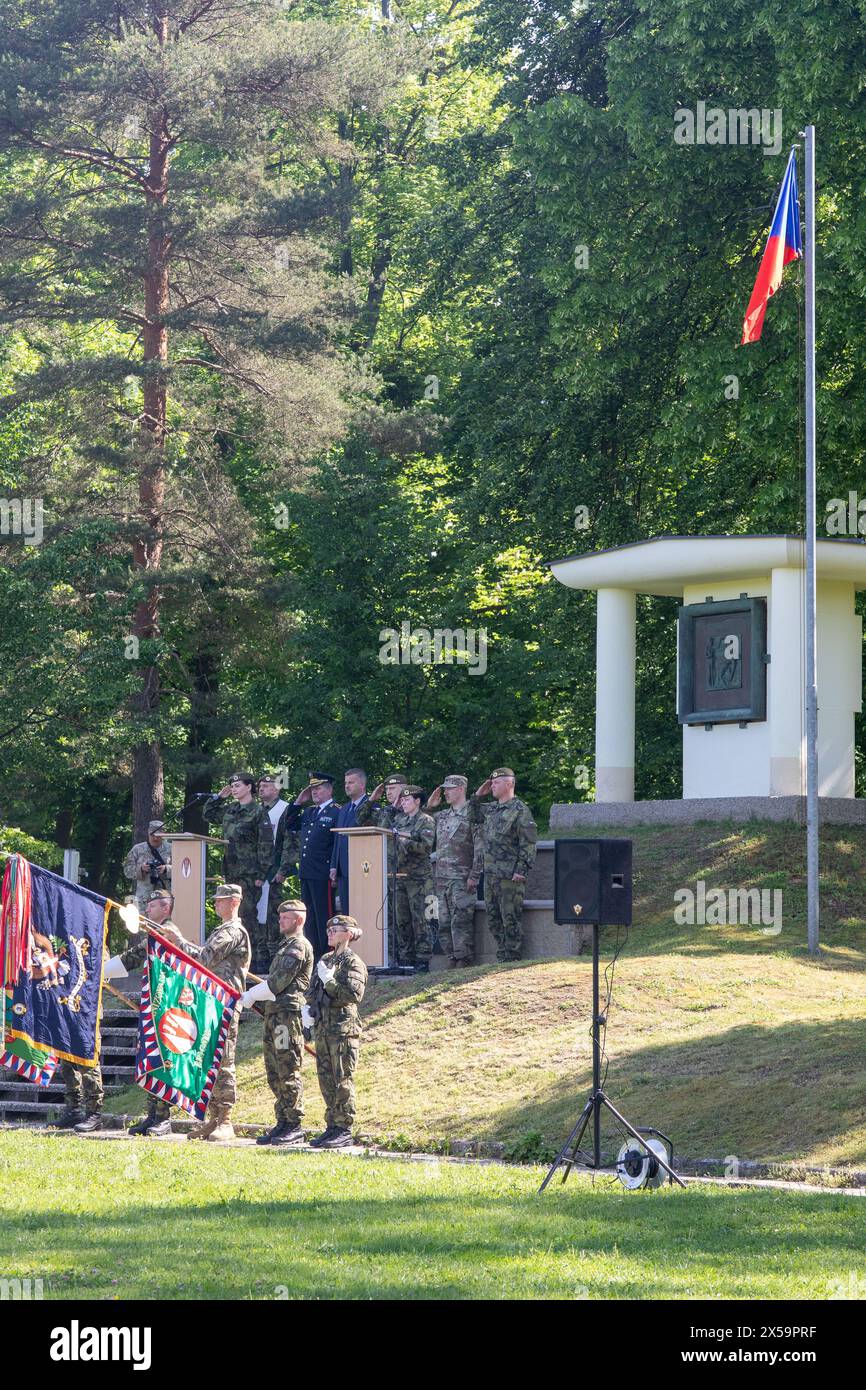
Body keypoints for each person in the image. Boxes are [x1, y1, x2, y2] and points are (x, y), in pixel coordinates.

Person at [106, 888, 190, 1138]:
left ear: (166, 908)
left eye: (152, 906)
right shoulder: (156, 933)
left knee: (163, 1059)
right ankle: (153, 1114)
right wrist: (104, 970)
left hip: (166, 1006)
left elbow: (136, 955)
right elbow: (135, 956)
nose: (147, 911)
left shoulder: (168, 933)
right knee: (151, 1058)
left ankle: (163, 1118)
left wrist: (105, 969)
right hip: (153, 1004)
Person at [242, 898, 313, 1148]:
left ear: (299, 920)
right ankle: (282, 1120)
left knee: (287, 1067)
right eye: (280, 916)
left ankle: (294, 1124)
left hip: (286, 1017)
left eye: (286, 917)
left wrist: (252, 995)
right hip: (274, 1014)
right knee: (274, 1070)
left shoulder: (298, 947)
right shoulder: (286, 946)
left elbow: (278, 983)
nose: (280, 920)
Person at [184, 883, 252, 1141]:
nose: (216, 904)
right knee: (208, 1058)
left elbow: (205, 958)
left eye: (221, 900)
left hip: (225, 1003)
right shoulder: (221, 930)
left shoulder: (233, 931)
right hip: (210, 1001)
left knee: (224, 1061)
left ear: (234, 902)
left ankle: (226, 1120)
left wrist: (177, 940)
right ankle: (213, 1118)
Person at [303, 915, 367, 1149]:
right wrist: (307, 1011)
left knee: (342, 1079)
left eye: (336, 929)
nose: (330, 933)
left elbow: (353, 995)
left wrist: (330, 982)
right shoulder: (327, 959)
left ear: (348, 934)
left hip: (342, 1030)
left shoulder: (353, 962)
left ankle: (343, 1127)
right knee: (326, 1079)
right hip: (323, 1027)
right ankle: (332, 1125)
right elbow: (312, 990)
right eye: (328, 929)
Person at [202, 774, 273, 971]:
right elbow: (208, 815)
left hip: (250, 873)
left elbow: (266, 844)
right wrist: (218, 798)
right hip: (231, 871)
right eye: (232, 786)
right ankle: (232, 955)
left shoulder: (258, 812)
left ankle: (256, 959)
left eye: (238, 785)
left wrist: (261, 874)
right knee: (231, 914)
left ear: (249, 787)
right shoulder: (230, 809)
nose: (233, 789)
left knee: (248, 914)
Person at [469, 768, 538, 962]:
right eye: (491, 782)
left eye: (496, 782)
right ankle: (502, 955)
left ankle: (512, 957)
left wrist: (521, 870)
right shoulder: (491, 808)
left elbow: (528, 842)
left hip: (509, 876)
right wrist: (477, 795)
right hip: (490, 874)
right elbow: (473, 815)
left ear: (509, 784)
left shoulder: (520, 810)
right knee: (493, 919)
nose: (492, 785)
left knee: (510, 918)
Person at [426, 774, 483, 967]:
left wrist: (474, 875)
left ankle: (463, 959)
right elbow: (420, 825)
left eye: (449, 788)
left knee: (461, 921)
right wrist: (429, 807)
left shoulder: (472, 814)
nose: (445, 792)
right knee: (443, 921)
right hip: (441, 878)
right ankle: (452, 957)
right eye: (445, 788)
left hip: (461, 877)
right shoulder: (442, 816)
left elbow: (480, 847)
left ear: (460, 789)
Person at [283, 773, 340, 960]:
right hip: (307, 872)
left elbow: (337, 843)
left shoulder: (336, 811)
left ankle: (327, 954)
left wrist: (334, 868)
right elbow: (289, 824)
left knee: (325, 915)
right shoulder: (309, 812)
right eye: (312, 789)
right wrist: (298, 802)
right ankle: (314, 955)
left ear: (330, 789)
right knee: (310, 917)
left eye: (319, 788)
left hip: (323, 872)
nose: (314, 792)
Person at [357, 773, 407, 960]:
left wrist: (395, 807)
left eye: (392, 789)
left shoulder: (411, 811)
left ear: (404, 789)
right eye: (386, 789)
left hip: (403, 871)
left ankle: (405, 957)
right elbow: (360, 819)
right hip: (381, 870)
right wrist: (372, 799)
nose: (388, 792)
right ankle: (390, 958)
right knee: (387, 918)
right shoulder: (383, 810)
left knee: (402, 917)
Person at [257, 772, 299, 972]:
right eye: (260, 786)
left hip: (274, 872)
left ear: (276, 788)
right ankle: (259, 957)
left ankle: (275, 959)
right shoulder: (256, 810)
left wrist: (284, 870)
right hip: (255, 872)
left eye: (266, 785)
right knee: (256, 915)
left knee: (274, 917)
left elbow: (290, 842)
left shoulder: (285, 809)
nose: (261, 789)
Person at [393, 785, 436, 971]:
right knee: (402, 918)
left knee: (421, 919)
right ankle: (406, 958)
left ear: (417, 801)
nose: (403, 803)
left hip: (419, 879)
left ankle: (422, 959)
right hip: (400, 876)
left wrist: (405, 842)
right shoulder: (399, 820)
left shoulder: (426, 820)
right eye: (401, 800)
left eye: (407, 800)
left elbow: (426, 847)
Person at [329, 768, 369, 914]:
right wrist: (334, 865)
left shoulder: (371, 807)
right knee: (346, 912)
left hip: (361, 868)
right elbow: (338, 838)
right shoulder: (344, 809)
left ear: (362, 785)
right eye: (346, 783)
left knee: (361, 911)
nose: (347, 786)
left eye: (351, 782)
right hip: (342, 869)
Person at [122, 819, 172, 912]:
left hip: (166, 899)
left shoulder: (173, 849)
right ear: (148, 834)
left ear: (163, 835)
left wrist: (166, 869)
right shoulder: (137, 849)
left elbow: (183, 872)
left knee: (165, 925)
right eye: (152, 835)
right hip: (144, 900)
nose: (155, 838)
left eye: (158, 836)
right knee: (144, 925)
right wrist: (141, 869)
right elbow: (127, 870)